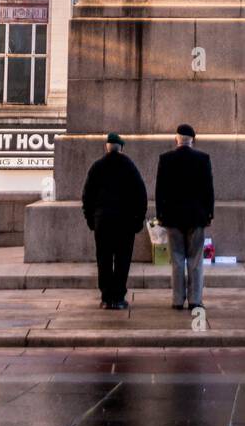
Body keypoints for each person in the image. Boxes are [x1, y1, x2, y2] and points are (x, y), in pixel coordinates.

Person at [81, 133, 147, 310]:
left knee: (103, 259)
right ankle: (118, 297)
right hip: (125, 223)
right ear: (122, 148)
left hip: (102, 222)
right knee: (122, 260)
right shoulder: (129, 166)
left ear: (106, 147)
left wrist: (90, 219)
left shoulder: (97, 166)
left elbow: (87, 196)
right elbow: (141, 195)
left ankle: (105, 297)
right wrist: (138, 220)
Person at [155, 124, 215, 311]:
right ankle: (195, 299)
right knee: (195, 260)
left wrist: (160, 215)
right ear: (192, 140)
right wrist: (209, 213)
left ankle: (177, 299)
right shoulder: (203, 159)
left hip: (172, 217)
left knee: (177, 259)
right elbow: (208, 190)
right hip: (196, 217)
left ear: (176, 139)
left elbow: (160, 190)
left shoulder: (166, 159)